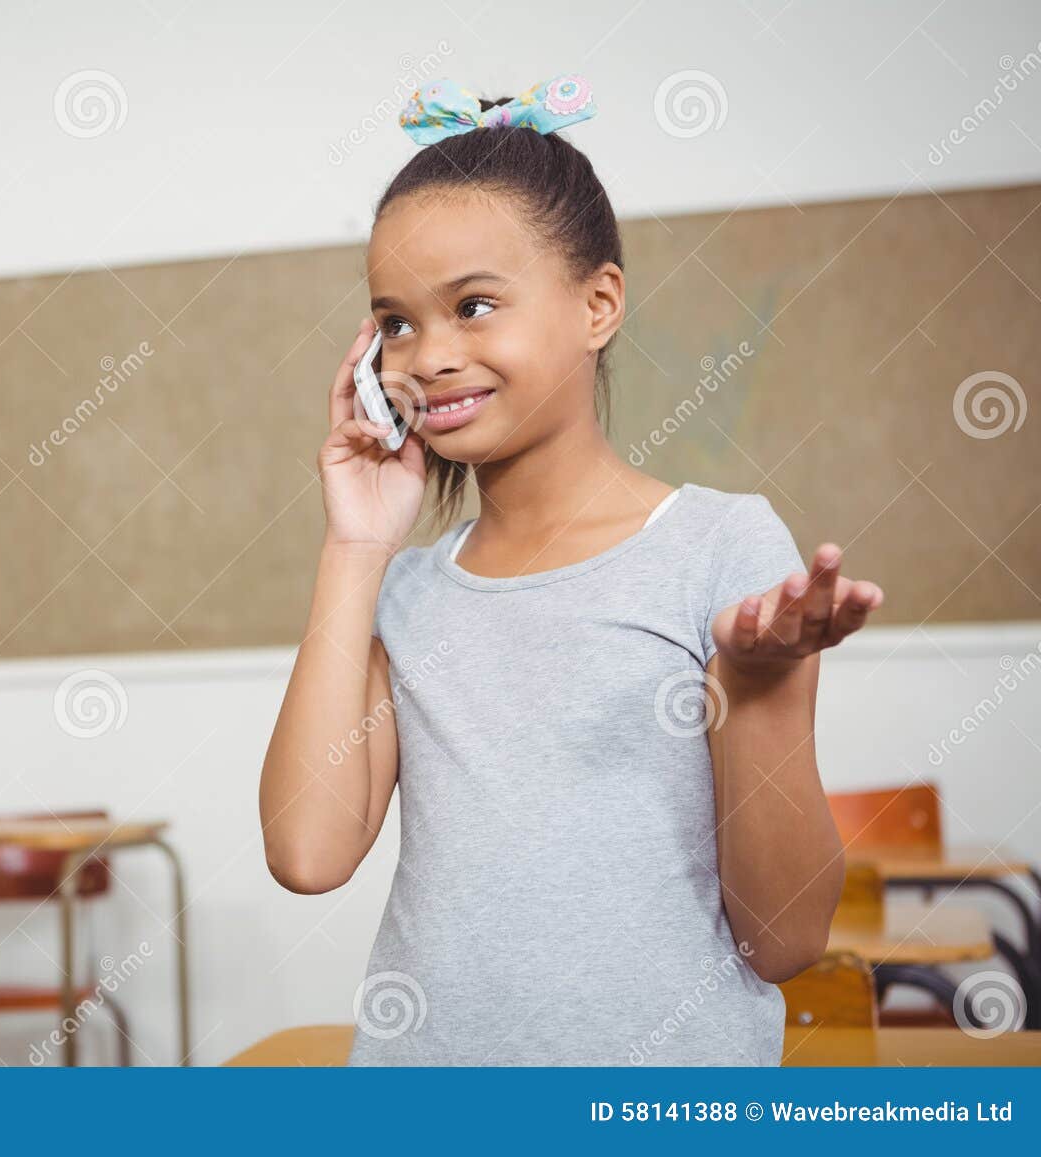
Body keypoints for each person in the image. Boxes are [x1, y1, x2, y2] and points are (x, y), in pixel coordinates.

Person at [258, 76, 884, 1065]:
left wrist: (754, 690)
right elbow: (306, 851)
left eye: (472, 305)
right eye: (396, 323)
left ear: (598, 303)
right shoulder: (407, 591)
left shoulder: (722, 548)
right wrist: (354, 545)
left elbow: (786, 939)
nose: (427, 357)